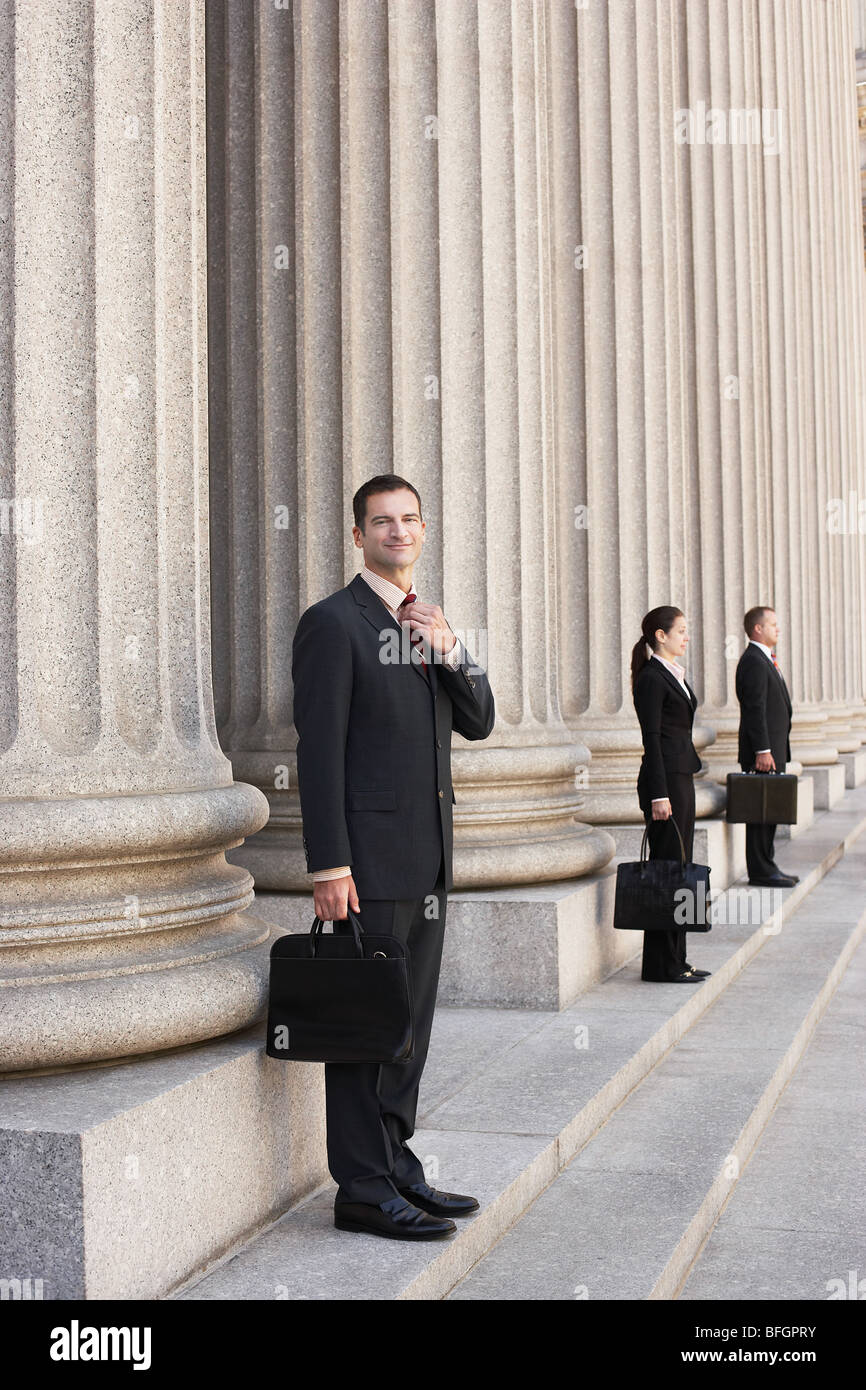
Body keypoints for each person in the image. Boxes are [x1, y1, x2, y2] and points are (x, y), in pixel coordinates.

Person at [291, 474, 495, 1241]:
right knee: (364, 1027)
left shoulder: (428, 623)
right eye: (383, 521)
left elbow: (480, 722)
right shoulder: (332, 623)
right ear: (358, 536)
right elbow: (320, 755)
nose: (399, 531)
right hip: (367, 868)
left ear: (422, 529)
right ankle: (364, 1190)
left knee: (408, 1028)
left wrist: (452, 651)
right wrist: (328, 865)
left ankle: (397, 1164)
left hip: (430, 862)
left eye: (410, 519)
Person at [630, 607, 710, 983]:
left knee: (679, 869)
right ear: (660, 636)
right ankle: (663, 965)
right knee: (667, 872)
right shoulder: (652, 678)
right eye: (680, 630)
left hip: (681, 778)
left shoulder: (671, 675)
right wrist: (659, 794)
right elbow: (652, 740)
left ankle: (678, 959)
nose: (686, 636)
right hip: (665, 785)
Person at [735, 606, 798, 887]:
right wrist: (762, 749)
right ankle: (761, 871)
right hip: (764, 753)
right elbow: (754, 708)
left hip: (773, 750)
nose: (778, 629)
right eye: (772, 624)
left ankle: (768, 864)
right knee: (760, 813)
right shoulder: (753, 661)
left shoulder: (765, 659)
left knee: (770, 810)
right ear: (757, 628)